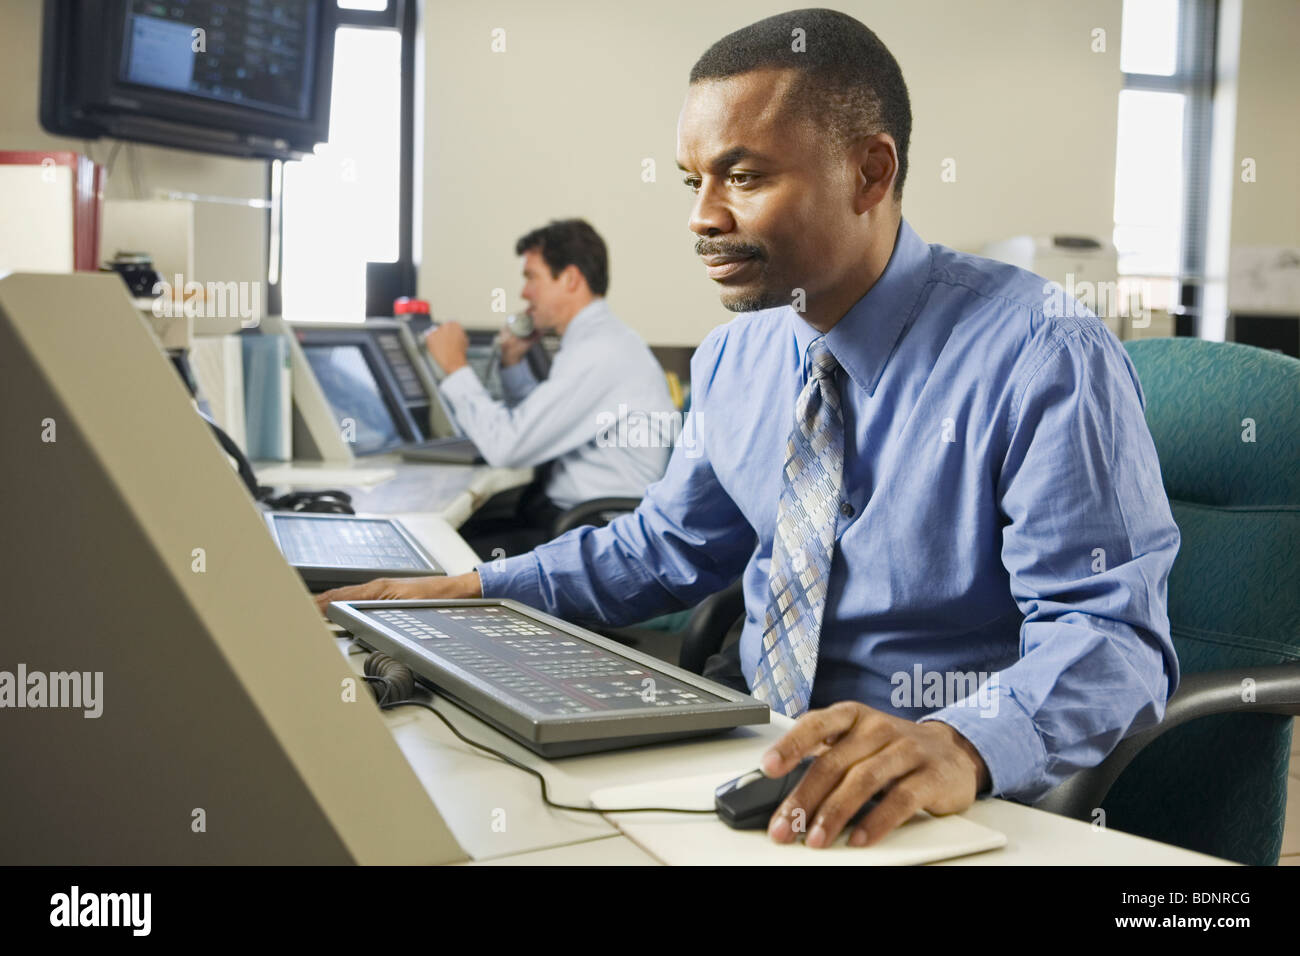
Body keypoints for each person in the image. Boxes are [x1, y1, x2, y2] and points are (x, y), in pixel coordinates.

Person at [319, 9, 1180, 851]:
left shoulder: (1044, 352)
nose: (702, 216)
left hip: (918, 798)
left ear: (869, 174)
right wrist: (476, 591)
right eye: (692, 180)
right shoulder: (737, 357)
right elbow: (663, 548)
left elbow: (1111, 639)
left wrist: (961, 742)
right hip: (751, 758)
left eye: (744, 177)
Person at [426, 219, 677, 553]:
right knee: (459, 538)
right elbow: (545, 425)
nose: (523, 293)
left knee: (442, 552)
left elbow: (508, 447)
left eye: (531, 277)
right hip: (578, 518)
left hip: (594, 532)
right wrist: (513, 363)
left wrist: (455, 367)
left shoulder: (600, 350)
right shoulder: (595, 340)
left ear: (570, 279)